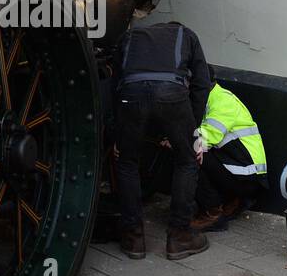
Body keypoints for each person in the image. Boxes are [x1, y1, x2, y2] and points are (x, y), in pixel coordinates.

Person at [112, 20, 212, 260]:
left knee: (126, 162)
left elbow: (114, 84)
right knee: (187, 161)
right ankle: (179, 236)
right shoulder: (187, 34)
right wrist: (193, 131)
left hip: (130, 95)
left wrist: (116, 132)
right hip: (172, 93)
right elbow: (201, 84)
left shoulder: (130, 36)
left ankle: (134, 237)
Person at [190, 82, 268, 232]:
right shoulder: (212, 98)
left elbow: (205, 138)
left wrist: (177, 140)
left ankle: (212, 214)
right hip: (241, 171)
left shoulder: (222, 101)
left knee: (192, 155)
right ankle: (232, 201)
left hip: (247, 177)